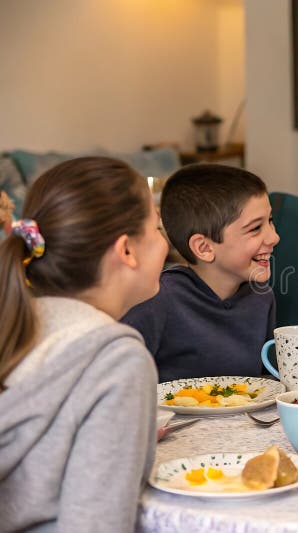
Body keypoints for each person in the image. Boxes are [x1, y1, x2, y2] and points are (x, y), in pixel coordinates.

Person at [0, 157, 167, 530]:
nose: (164, 241)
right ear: (126, 251)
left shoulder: (15, 325)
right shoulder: (117, 360)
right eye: (157, 229)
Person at [122, 164, 279, 383]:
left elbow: (265, 380)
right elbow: (122, 380)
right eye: (255, 229)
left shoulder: (262, 297)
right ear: (204, 248)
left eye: (270, 221)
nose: (274, 237)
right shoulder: (158, 299)